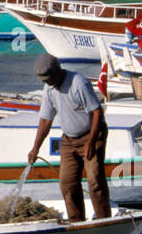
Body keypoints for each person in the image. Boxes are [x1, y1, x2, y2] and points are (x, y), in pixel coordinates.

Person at [27, 53, 110, 221]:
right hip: (69, 139)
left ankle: (104, 219)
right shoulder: (49, 89)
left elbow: (97, 111)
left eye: (49, 79)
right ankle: (76, 220)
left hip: (92, 135)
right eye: (44, 81)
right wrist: (35, 148)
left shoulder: (78, 82)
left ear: (58, 72)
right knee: (67, 183)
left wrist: (92, 142)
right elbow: (45, 120)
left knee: (94, 180)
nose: (47, 83)